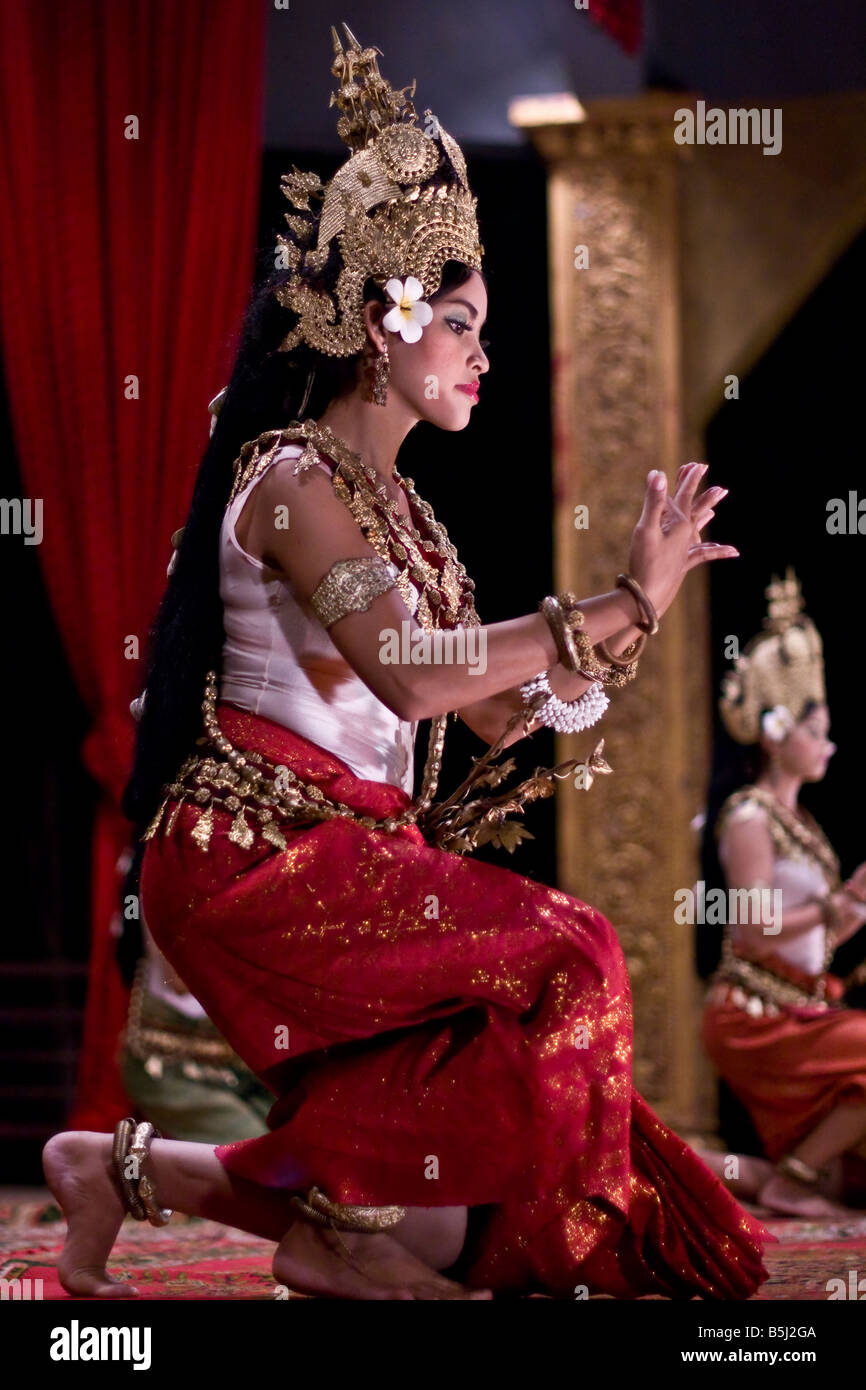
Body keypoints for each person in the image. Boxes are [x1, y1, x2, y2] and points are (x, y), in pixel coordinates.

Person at [43, 24, 771, 1301]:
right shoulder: (286, 479)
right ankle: (416, 1240)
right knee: (572, 956)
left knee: (434, 1196)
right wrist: (599, 601)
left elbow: (498, 717)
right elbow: (413, 676)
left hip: (355, 857)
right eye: (454, 321)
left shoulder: (414, 524)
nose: (479, 352)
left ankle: (116, 1172)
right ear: (376, 323)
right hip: (246, 857)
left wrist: (639, 609)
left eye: (480, 325)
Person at [700, 570, 866, 1219]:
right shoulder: (749, 817)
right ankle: (791, 1181)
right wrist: (833, 905)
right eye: (816, 728)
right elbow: (756, 929)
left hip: (797, 1006)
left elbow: (818, 942)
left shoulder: (805, 829)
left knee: (847, 1183)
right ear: (775, 730)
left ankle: (672, 1160)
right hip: (753, 1014)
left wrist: (854, 899)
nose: (828, 742)